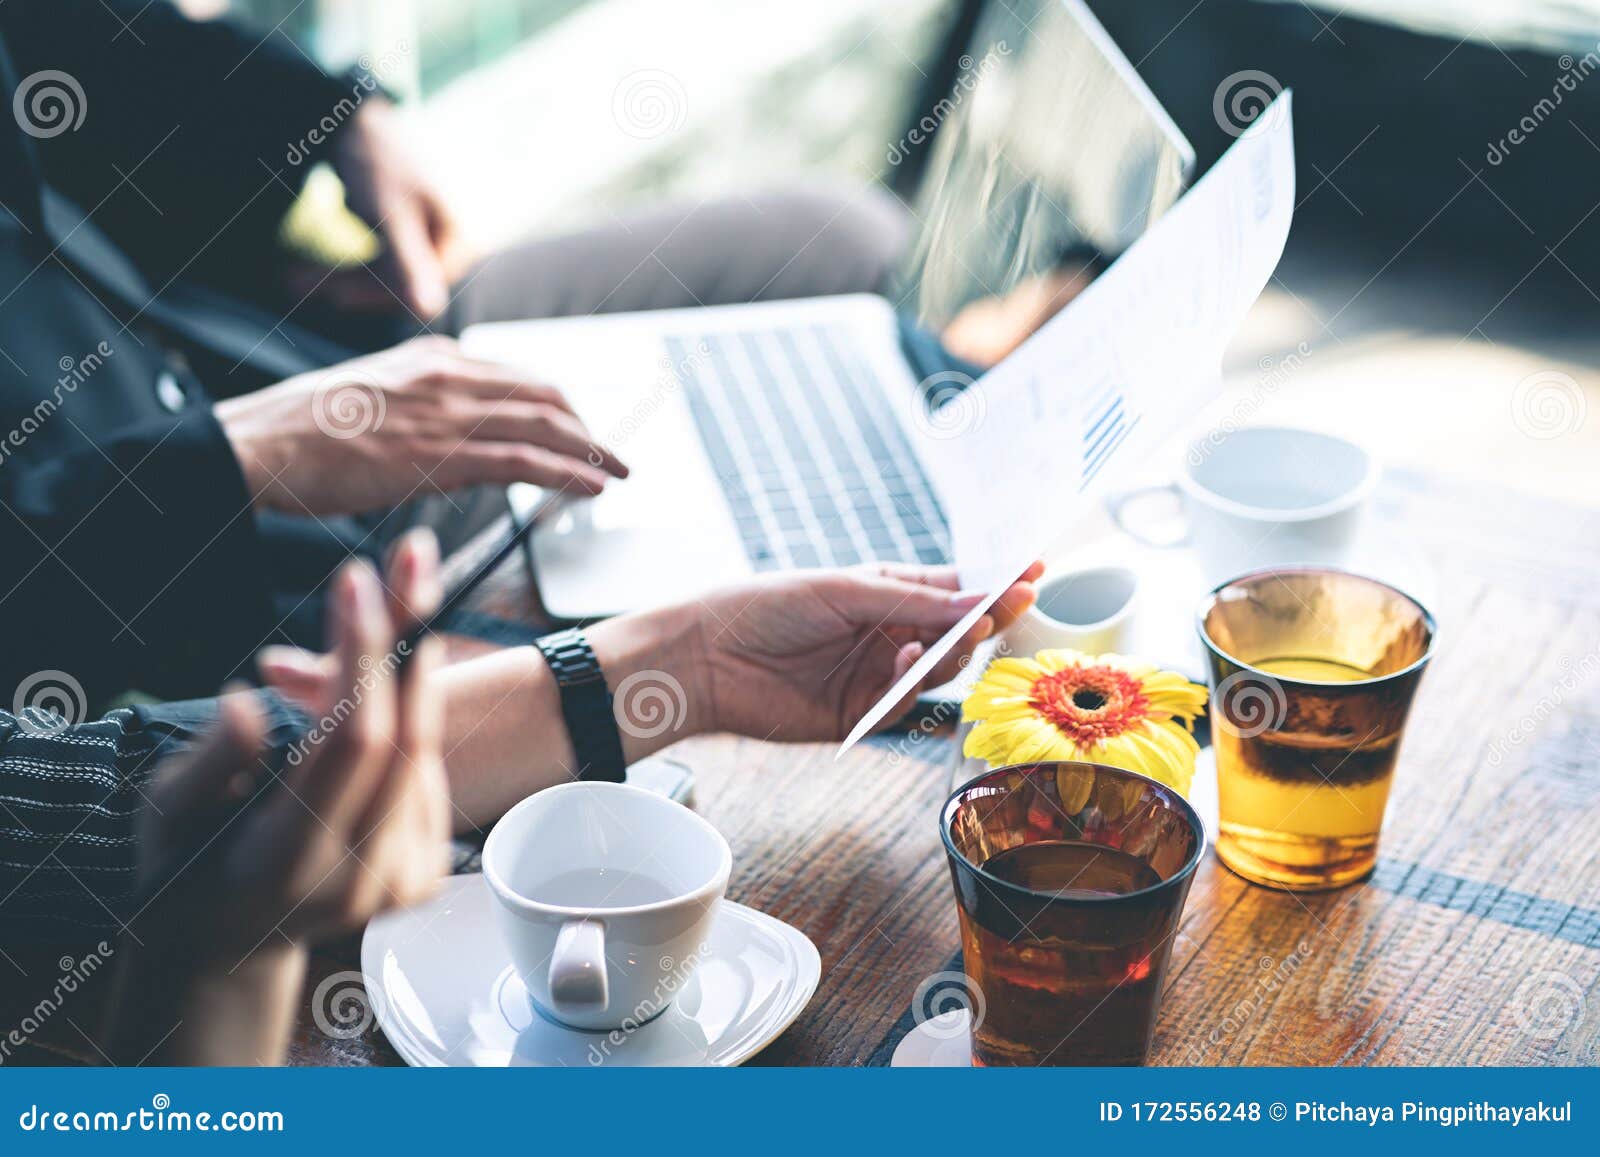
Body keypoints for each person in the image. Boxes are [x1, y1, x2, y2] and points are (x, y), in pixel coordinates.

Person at [0, 1, 912, 707]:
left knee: (841, 239)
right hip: (239, 595)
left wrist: (333, 118)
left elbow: (72, 43)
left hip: (287, 343)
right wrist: (238, 460)